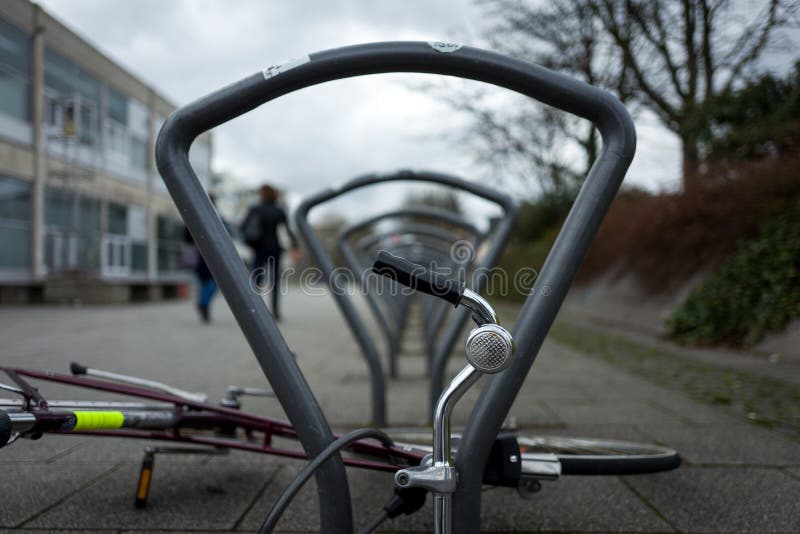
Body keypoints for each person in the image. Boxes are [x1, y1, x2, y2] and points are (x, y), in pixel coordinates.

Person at [241, 184, 300, 321]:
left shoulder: (255, 209)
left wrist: (250, 242)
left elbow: (243, 226)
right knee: (275, 282)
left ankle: (253, 309)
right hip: (275, 248)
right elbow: (288, 230)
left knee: (256, 280)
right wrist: (295, 247)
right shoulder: (278, 210)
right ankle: (275, 312)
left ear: (262, 194)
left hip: (259, 248)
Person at [183, 195, 232, 323]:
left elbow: (186, 237)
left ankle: (204, 309)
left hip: (200, 256)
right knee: (212, 283)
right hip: (209, 256)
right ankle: (203, 306)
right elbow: (226, 235)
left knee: (205, 284)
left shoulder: (192, 216)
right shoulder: (216, 218)